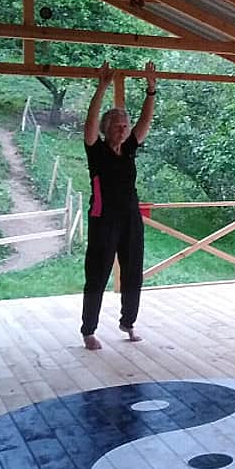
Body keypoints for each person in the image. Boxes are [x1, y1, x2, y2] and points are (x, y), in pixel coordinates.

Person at [81, 61, 156, 350]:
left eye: (125, 126)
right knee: (97, 275)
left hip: (130, 218)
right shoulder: (95, 149)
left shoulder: (129, 149)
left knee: (133, 272)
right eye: (117, 126)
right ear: (106, 128)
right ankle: (89, 330)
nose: (122, 130)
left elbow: (145, 122)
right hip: (103, 218)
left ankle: (128, 322)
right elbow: (90, 122)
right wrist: (102, 87)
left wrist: (151, 90)